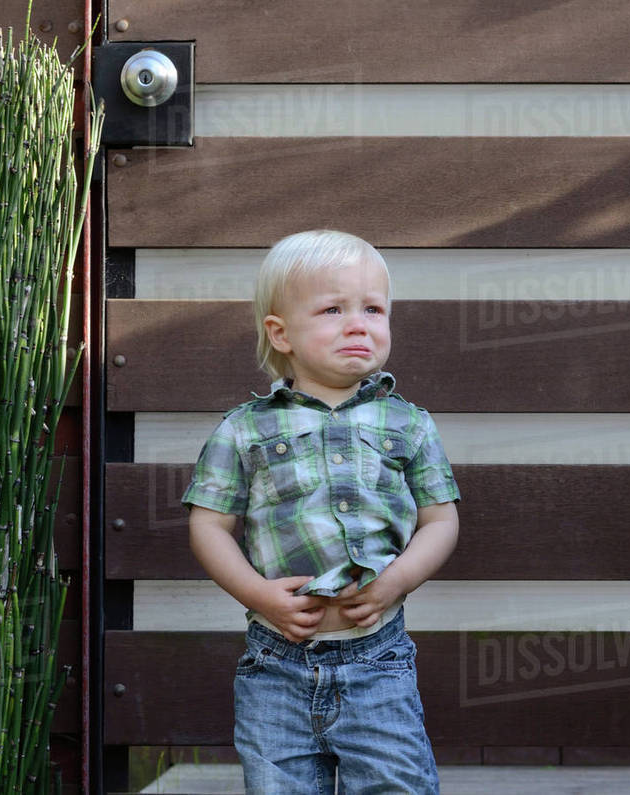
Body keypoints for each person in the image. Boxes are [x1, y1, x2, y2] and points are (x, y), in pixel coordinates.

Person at [181, 230, 459, 794]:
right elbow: (208, 524)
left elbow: (441, 520)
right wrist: (258, 596)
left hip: (378, 658)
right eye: (333, 309)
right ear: (280, 333)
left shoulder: (408, 424)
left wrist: (395, 581)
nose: (359, 324)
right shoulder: (245, 429)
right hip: (274, 663)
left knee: (396, 785)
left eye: (373, 309)